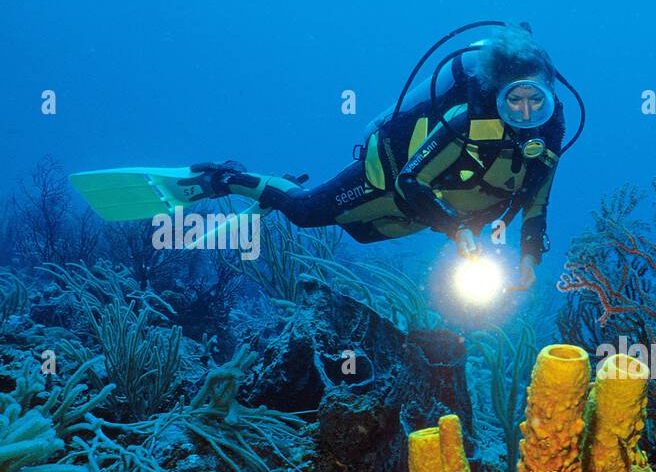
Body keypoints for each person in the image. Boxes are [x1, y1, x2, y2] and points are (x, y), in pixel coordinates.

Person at [76, 23, 578, 292]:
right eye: (517, 99)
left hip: (437, 210)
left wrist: (529, 260)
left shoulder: (548, 139)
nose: (527, 111)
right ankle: (223, 178)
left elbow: (536, 204)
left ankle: (263, 186)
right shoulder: (466, 123)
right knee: (308, 213)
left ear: (551, 97)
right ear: (500, 93)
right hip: (390, 177)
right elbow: (410, 181)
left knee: (359, 232)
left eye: (537, 100)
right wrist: (457, 231)